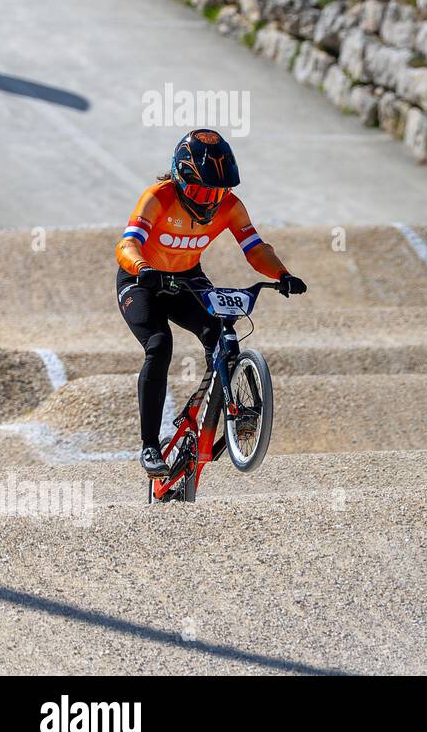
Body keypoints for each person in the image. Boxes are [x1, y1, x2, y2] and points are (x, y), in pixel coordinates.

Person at [115, 131, 307, 478]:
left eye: (217, 192)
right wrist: (143, 268)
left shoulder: (231, 206)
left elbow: (255, 248)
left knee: (221, 334)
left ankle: (225, 413)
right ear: (179, 179)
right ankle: (149, 446)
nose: (209, 201)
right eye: (201, 191)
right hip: (143, 282)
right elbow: (127, 245)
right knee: (159, 346)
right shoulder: (158, 197)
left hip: (187, 279)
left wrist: (282, 273)